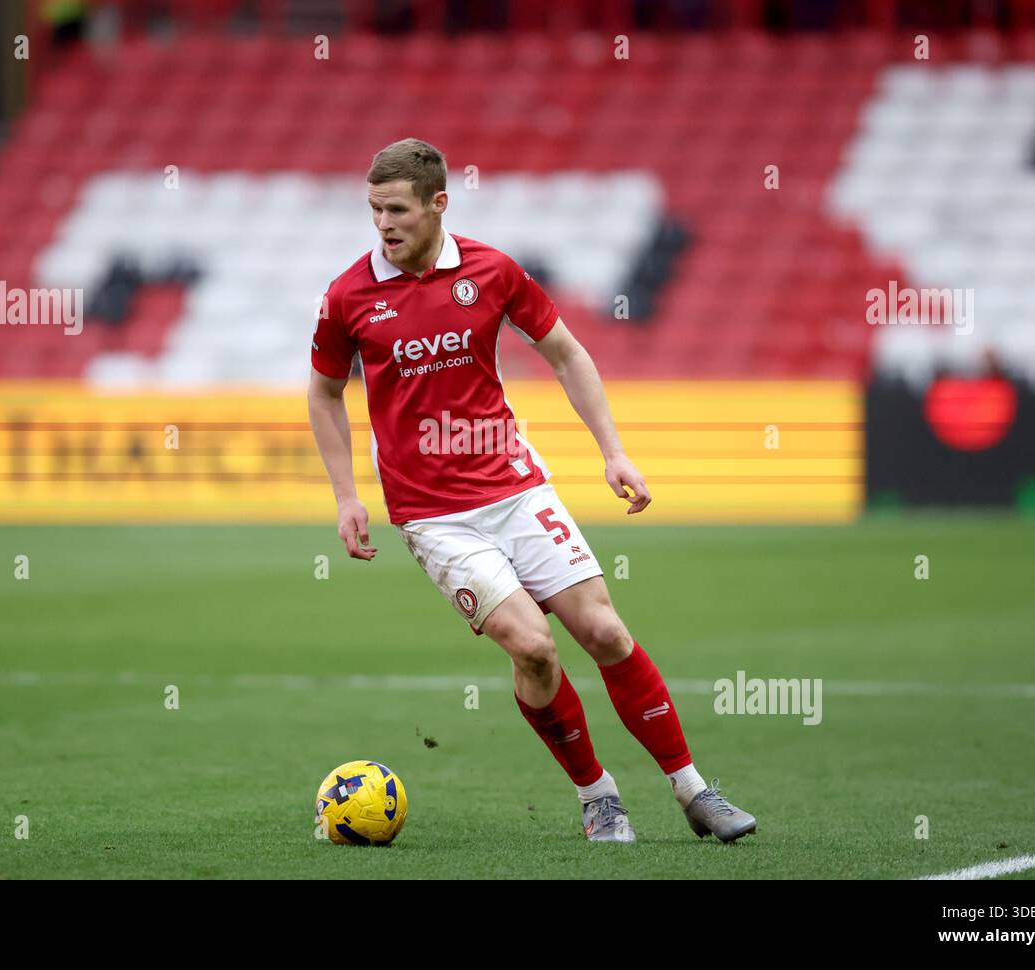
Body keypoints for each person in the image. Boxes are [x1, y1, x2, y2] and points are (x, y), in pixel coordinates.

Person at [307, 138, 755, 844]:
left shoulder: (491, 271)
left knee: (605, 631)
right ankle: (599, 796)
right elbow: (325, 393)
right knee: (535, 647)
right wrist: (346, 495)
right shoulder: (348, 296)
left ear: (438, 205)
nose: (383, 224)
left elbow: (567, 353)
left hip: (516, 490)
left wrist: (613, 452)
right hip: (435, 516)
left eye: (396, 209)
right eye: (374, 210)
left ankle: (694, 791)